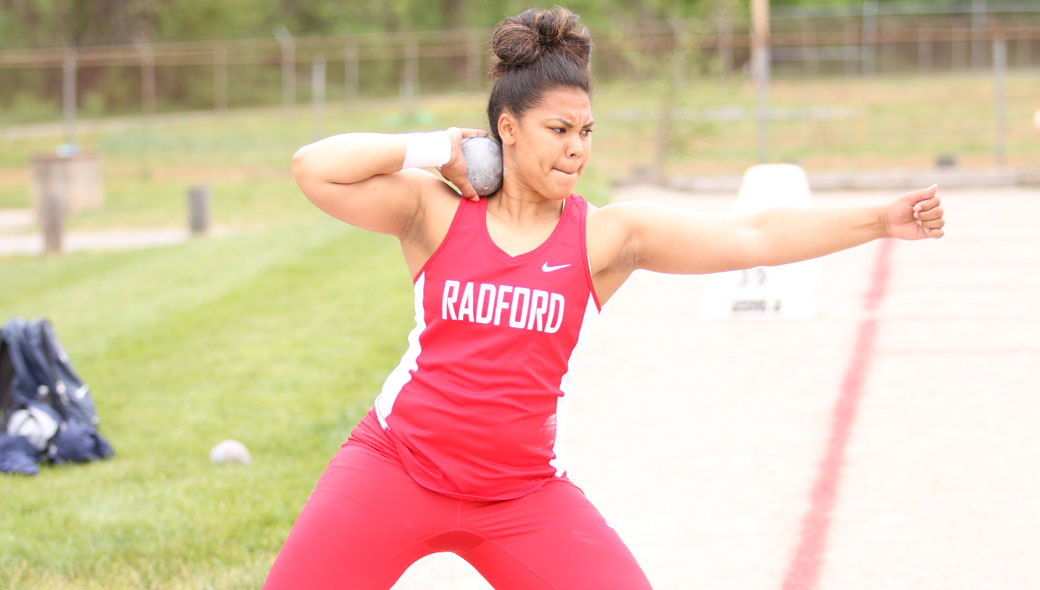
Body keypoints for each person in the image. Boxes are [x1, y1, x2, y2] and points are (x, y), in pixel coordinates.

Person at [264, 7, 945, 589]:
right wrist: (434, 149)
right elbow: (313, 168)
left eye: (586, 132)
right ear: (507, 128)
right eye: (558, 130)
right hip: (396, 468)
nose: (576, 149)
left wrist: (878, 222)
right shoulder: (436, 212)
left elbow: (750, 235)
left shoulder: (606, 237)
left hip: (521, 495)